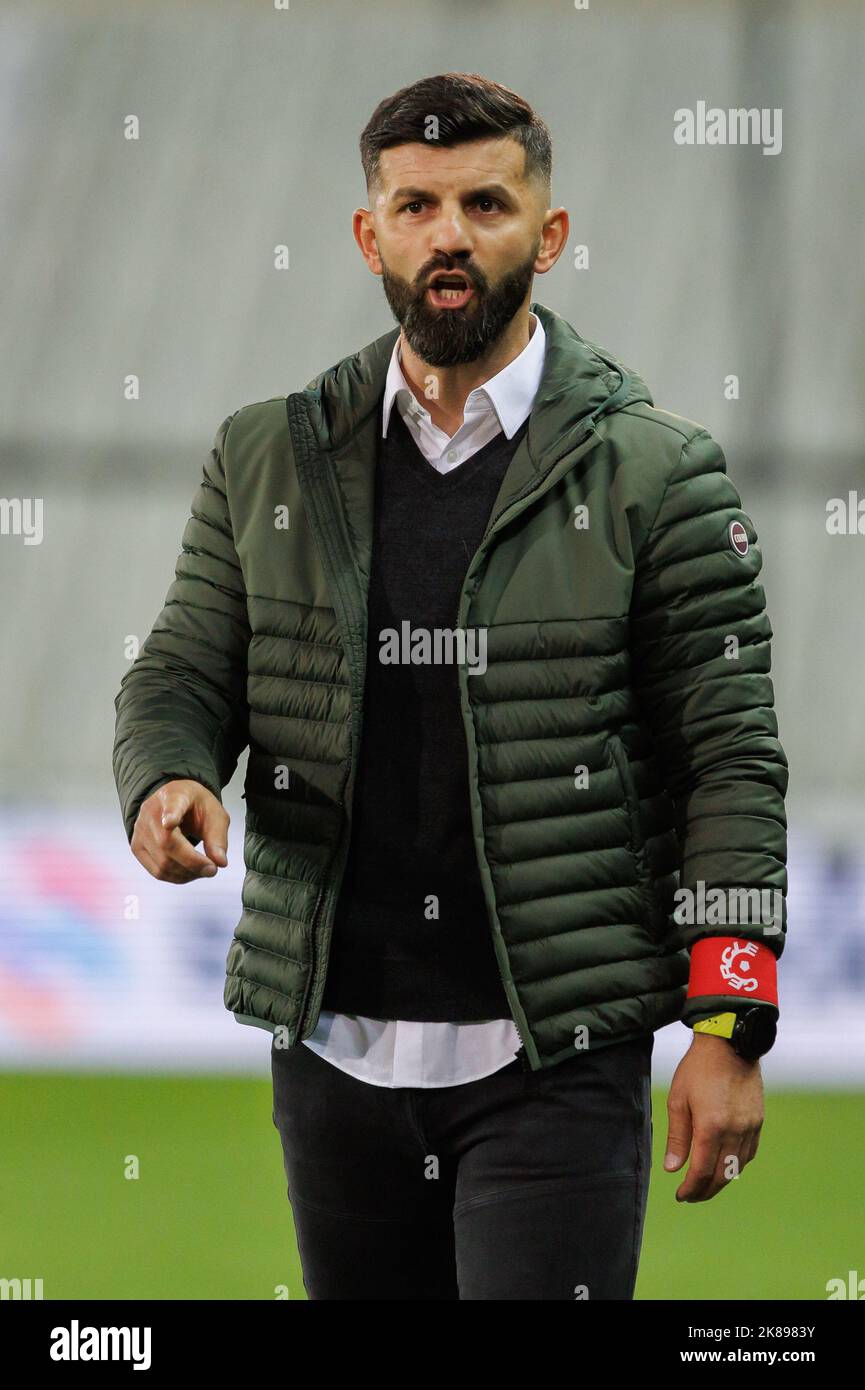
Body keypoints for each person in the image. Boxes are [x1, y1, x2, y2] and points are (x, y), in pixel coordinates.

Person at [113, 72, 788, 1300]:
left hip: (554, 1060)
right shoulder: (267, 451)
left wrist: (728, 1022)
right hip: (331, 1053)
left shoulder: (657, 471)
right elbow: (179, 670)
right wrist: (165, 775)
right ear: (370, 235)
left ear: (550, 233)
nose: (450, 234)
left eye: (486, 201)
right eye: (416, 205)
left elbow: (726, 756)